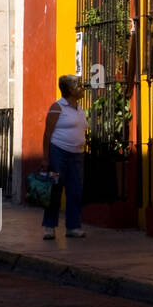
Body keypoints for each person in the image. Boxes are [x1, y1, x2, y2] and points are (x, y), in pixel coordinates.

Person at [41, 75, 88, 240]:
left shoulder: (80, 109)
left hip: (77, 155)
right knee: (55, 189)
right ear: (68, 89)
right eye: (77, 85)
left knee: (75, 191)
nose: (81, 88)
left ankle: (73, 227)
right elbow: (47, 134)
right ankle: (49, 227)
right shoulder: (57, 107)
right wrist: (46, 158)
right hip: (58, 153)